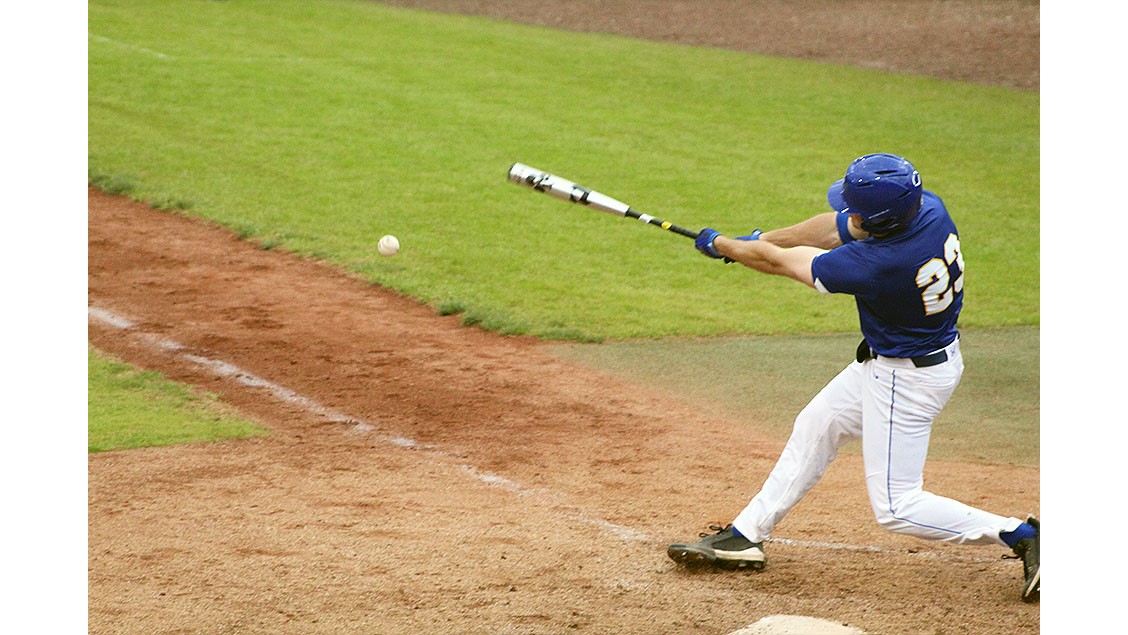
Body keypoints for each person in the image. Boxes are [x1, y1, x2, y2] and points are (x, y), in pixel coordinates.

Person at [666, 153, 1040, 603]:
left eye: (858, 207)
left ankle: (1023, 535)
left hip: (907, 381)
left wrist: (723, 245)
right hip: (901, 364)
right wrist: (761, 239)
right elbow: (830, 228)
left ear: (880, 218)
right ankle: (746, 535)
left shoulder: (878, 264)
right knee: (818, 423)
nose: (850, 213)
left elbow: (781, 264)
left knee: (898, 507)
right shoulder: (927, 208)